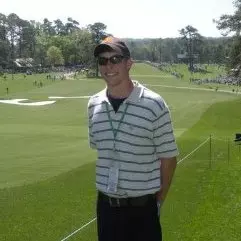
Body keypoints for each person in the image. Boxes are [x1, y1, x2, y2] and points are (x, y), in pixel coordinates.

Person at [88, 36, 179, 241]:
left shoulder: (154, 104)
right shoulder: (93, 104)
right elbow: (99, 149)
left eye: (115, 59)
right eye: (102, 60)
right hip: (106, 208)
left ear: (129, 63)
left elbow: (169, 158)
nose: (108, 65)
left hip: (142, 211)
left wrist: (158, 201)